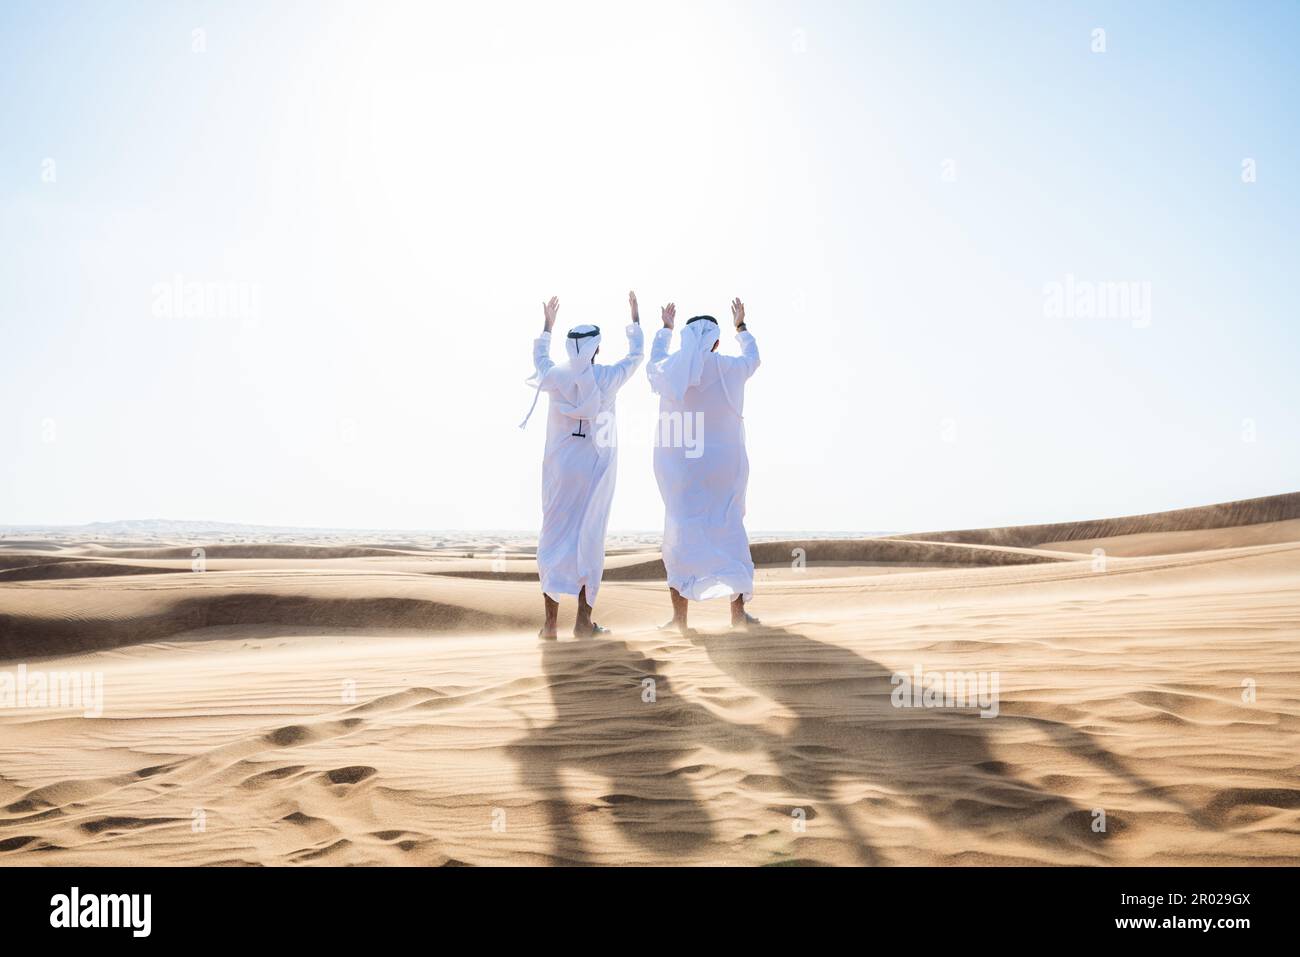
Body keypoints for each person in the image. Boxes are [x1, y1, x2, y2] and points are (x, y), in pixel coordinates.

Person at [520, 292, 645, 639]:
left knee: (554, 536)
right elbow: (636, 357)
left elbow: (539, 356)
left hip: (561, 469)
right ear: (596, 350)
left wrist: (547, 324)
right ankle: (582, 622)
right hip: (594, 470)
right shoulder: (607, 377)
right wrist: (635, 320)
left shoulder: (554, 376)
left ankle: (549, 625)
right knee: (589, 538)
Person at [646, 297, 761, 632]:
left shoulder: (672, 371)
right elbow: (754, 358)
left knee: (680, 537)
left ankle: (679, 620)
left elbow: (653, 362)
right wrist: (741, 326)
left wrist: (664, 331)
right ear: (716, 341)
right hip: (724, 470)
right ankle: (737, 615)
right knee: (730, 533)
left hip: (684, 473)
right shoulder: (731, 368)